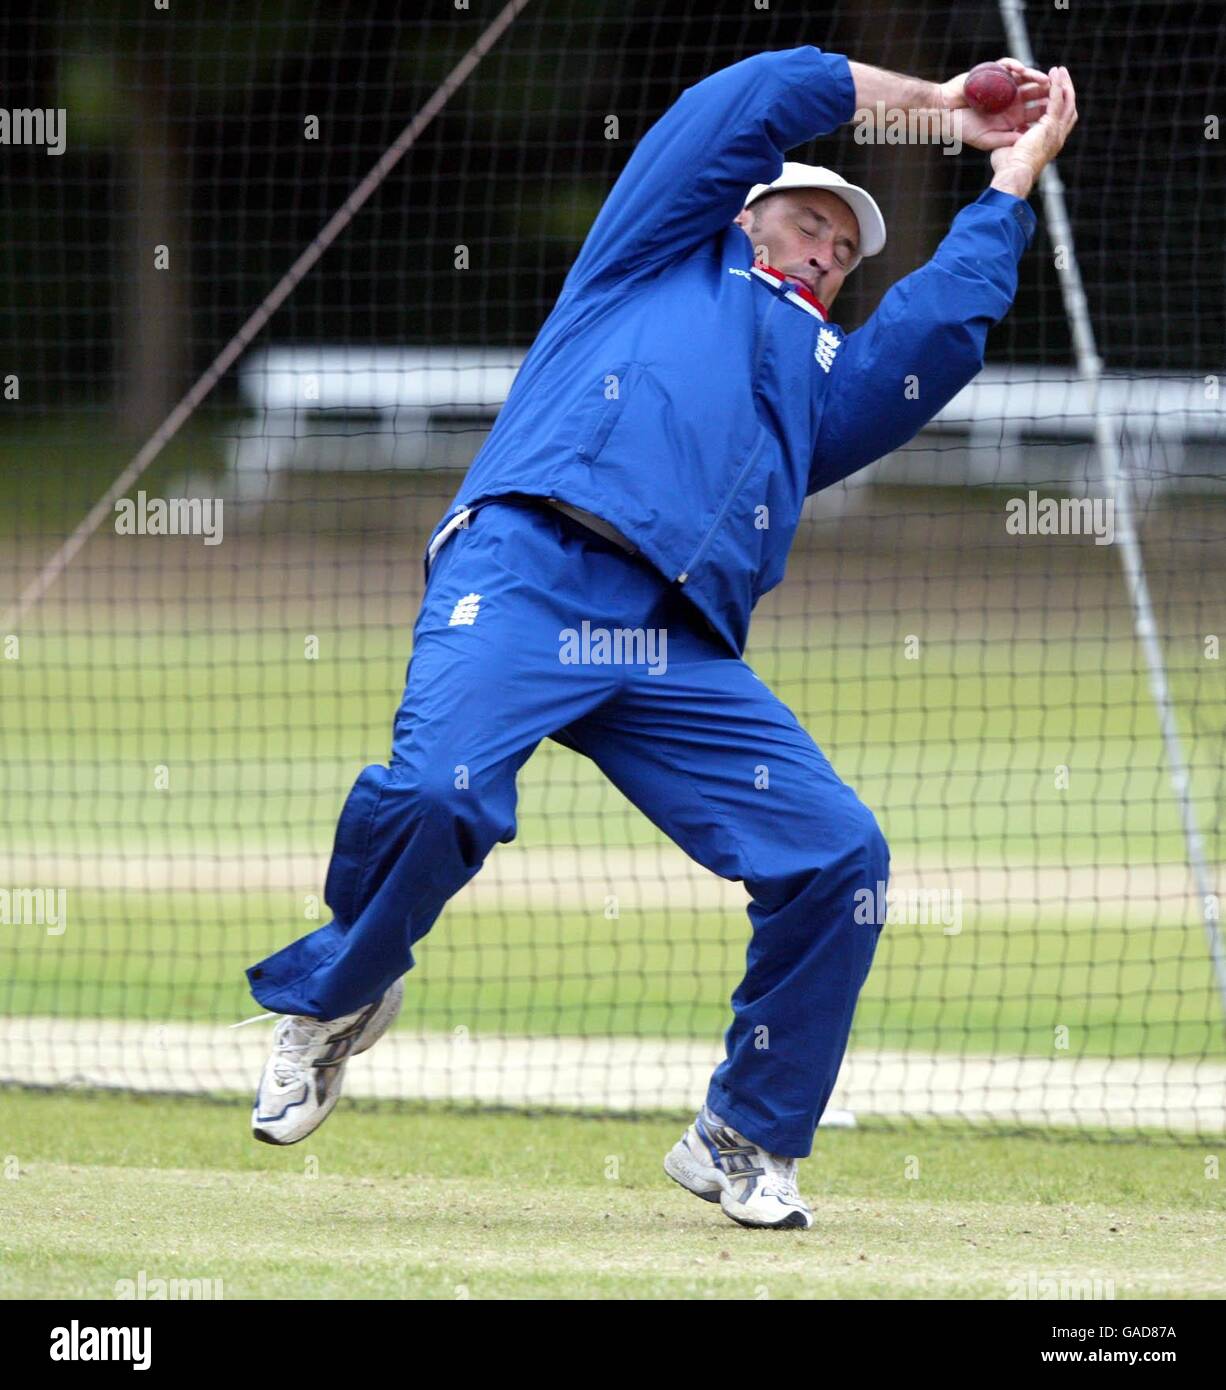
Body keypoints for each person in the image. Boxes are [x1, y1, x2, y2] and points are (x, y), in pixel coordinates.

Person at [243, 46, 1077, 1230]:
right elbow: (756, 99)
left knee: (837, 856)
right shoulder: (651, 253)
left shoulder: (816, 382)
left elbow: (932, 341)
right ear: (741, 213)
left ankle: (744, 1130)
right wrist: (940, 109)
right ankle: (337, 997)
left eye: (844, 251)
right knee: (438, 793)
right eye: (807, 221)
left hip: (668, 643)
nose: (828, 251)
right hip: (527, 565)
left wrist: (1008, 186)